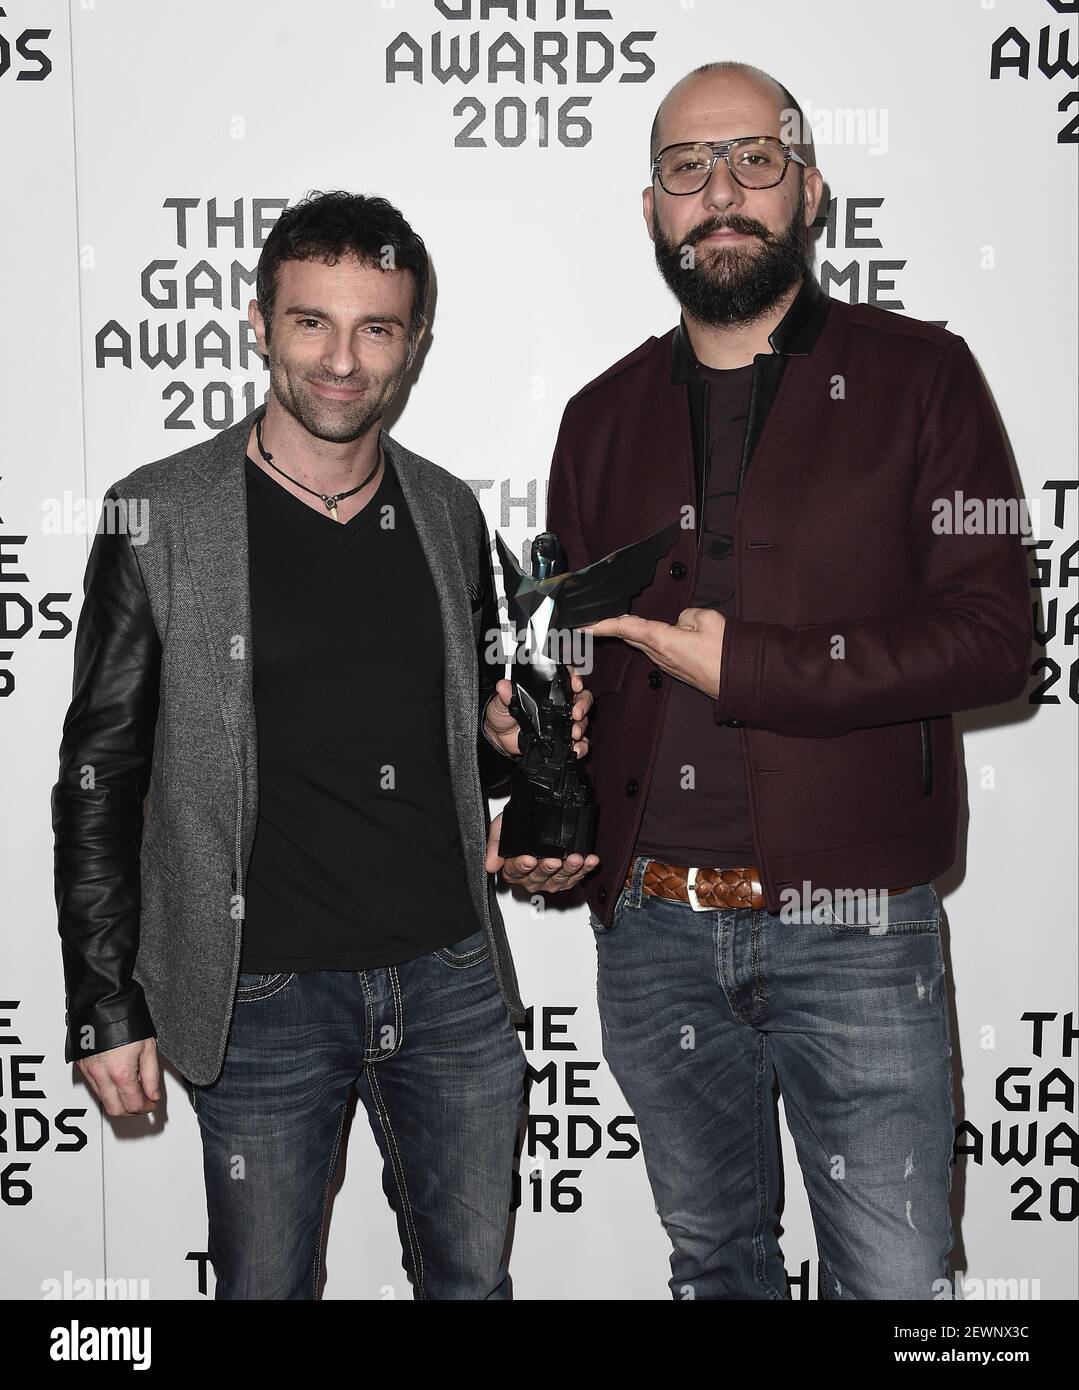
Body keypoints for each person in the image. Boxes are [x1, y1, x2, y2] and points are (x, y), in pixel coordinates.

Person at [51, 190, 595, 1300]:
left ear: (413, 345)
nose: (342, 361)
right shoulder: (156, 515)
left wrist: (507, 746)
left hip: (448, 978)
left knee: (472, 1286)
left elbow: (465, 752)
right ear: (259, 322)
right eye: (312, 322)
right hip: (260, 998)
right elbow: (100, 778)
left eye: (376, 328)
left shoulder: (446, 516)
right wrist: (106, 1004)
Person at [545, 63, 1031, 1299]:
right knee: (714, 1267)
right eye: (685, 169)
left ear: (808, 189)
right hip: (649, 923)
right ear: (649, 209)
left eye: (753, 161)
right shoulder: (595, 418)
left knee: (899, 1280)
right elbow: (581, 672)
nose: (720, 193)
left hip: (854, 925)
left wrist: (752, 666)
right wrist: (532, 756)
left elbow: (995, 639)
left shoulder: (921, 377)